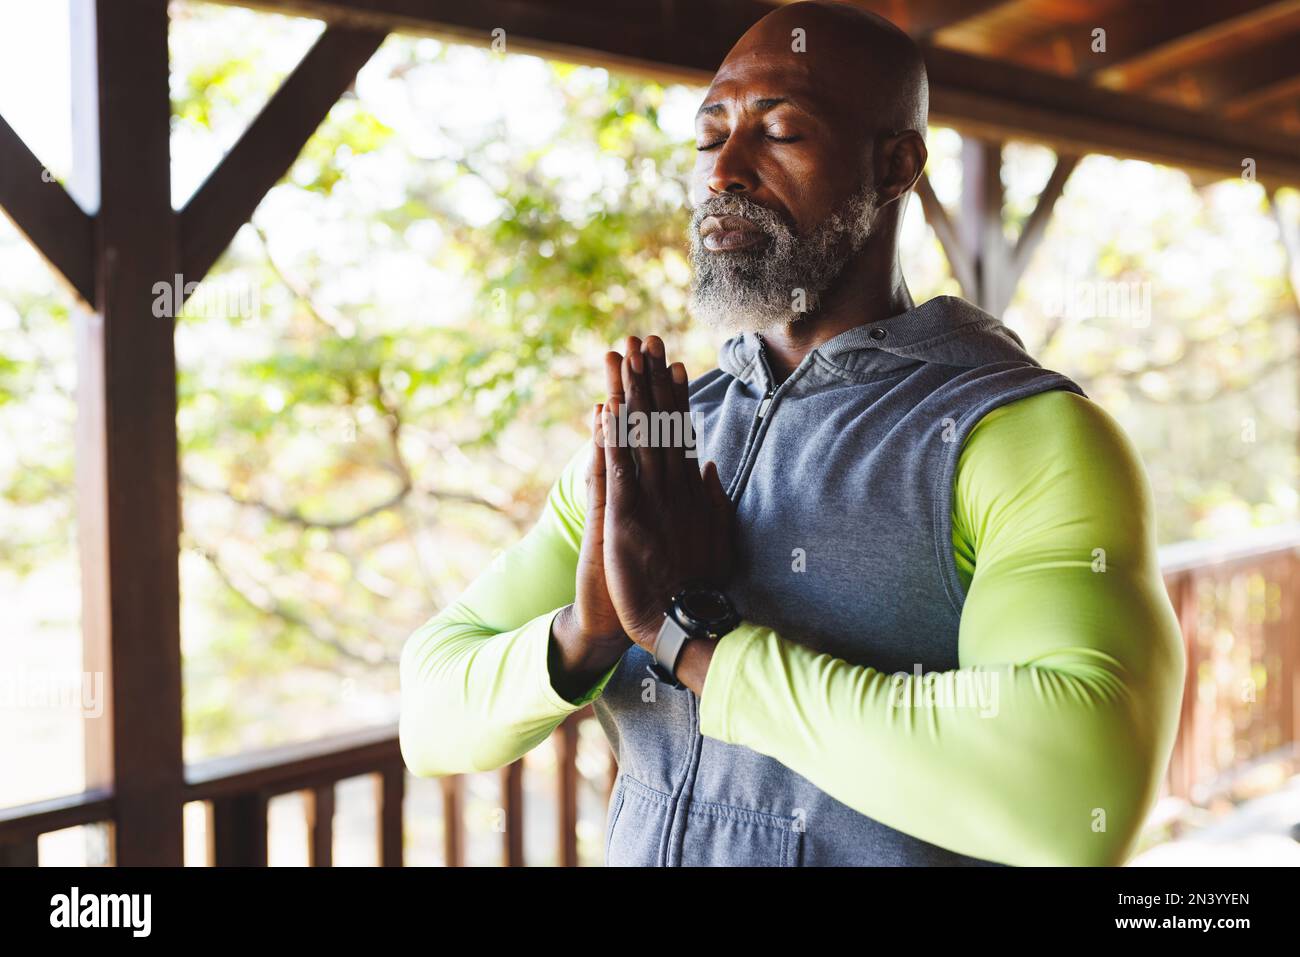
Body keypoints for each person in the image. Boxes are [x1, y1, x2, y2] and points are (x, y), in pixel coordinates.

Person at [399, 0, 1185, 866]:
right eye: (709, 138)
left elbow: (1074, 797)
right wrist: (587, 631)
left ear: (897, 166)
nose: (724, 172)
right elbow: (429, 715)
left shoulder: (1016, 434)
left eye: (779, 132)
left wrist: (691, 642)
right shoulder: (662, 433)